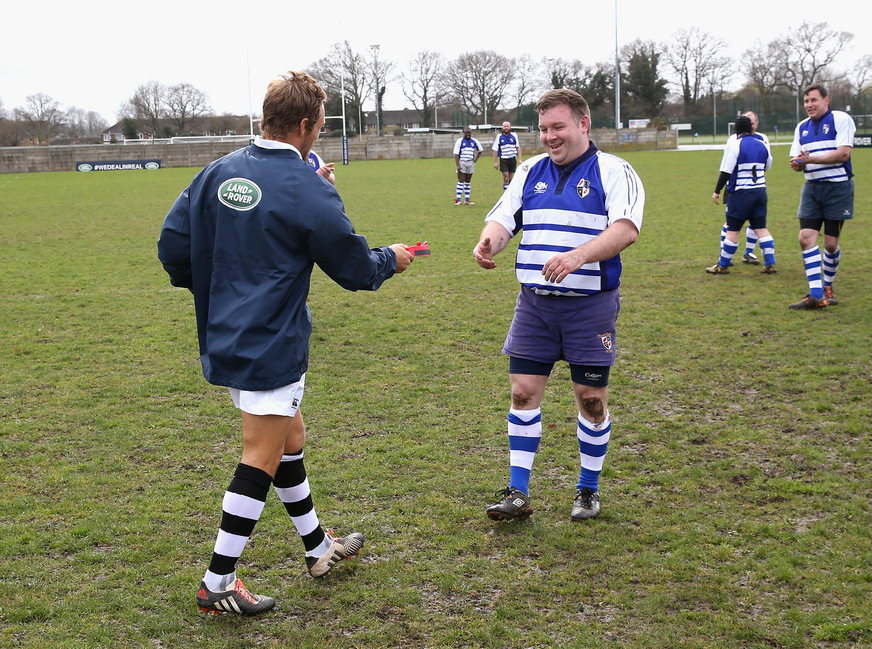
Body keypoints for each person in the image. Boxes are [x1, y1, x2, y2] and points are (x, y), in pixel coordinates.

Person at [158, 71, 414, 616]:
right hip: (271, 344)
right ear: (304, 125)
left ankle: (319, 549)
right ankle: (217, 581)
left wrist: (217, 288)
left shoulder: (216, 172)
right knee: (263, 453)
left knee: (289, 437)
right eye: (319, 126)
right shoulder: (306, 186)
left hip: (226, 337)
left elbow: (172, 247)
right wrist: (393, 256)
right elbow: (353, 269)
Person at [473, 89, 645, 522]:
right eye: (544, 128)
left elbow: (625, 230)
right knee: (522, 393)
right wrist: (489, 241)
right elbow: (503, 217)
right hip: (535, 306)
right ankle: (518, 492)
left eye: (558, 127)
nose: (549, 136)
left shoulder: (615, 171)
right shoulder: (530, 170)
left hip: (591, 307)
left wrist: (577, 257)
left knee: (590, 400)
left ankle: (587, 490)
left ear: (583, 125)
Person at [787, 83, 856, 309]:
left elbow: (843, 154)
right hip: (812, 189)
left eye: (813, 100)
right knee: (805, 237)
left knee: (830, 244)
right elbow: (798, 159)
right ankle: (816, 294)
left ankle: (828, 286)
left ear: (826, 101)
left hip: (837, 189)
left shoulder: (840, 119)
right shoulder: (801, 128)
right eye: (806, 101)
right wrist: (797, 164)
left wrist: (810, 160)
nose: (809, 105)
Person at [706, 114, 776, 275]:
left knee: (733, 230)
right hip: (760, 191)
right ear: (752, 128)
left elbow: (726, 171)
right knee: (761, 228)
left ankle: (722, 265)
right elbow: (768, 165)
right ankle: (770, 262)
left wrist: (717, 191)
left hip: (741, 194)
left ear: (736, 130)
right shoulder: (762, 144)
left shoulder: (736, 145)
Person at [719, 111, 768, 265]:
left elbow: (766, 163)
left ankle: (748, 253)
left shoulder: (763, 139)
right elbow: (726, 165)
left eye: (753, 122)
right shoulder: (733, 140)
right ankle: (724, 256)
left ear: (756, 124)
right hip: (735, 186)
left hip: (754, 186)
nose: (751, 125)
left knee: (755, 223)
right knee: (731, 223)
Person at [453, 127, 484, 205]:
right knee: (461, 180)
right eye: (466, 133)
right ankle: (458, 200)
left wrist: (475, 160)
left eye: (469, 133)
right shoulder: (459, 141)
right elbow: (456, 154)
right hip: (462, 162)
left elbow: (480, 150)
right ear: (463, 133)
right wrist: (458, 165)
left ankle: (467, 200)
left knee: (468, 181)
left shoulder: (475, 141)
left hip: (470, 162)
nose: (468, 134)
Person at [491, 121, 521, 190]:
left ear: (510, 127)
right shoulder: (499, 137)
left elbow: (518, 147)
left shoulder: (514, 135)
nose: (506, 128)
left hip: (512, 159)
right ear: (502, 127)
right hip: (503, 159)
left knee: (511, 178)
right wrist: (495, 162)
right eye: (505, 126)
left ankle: (510, 194)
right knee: (506, 177)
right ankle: (505, 195)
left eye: (507, 126)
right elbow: (495, 150)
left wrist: (519, 159)